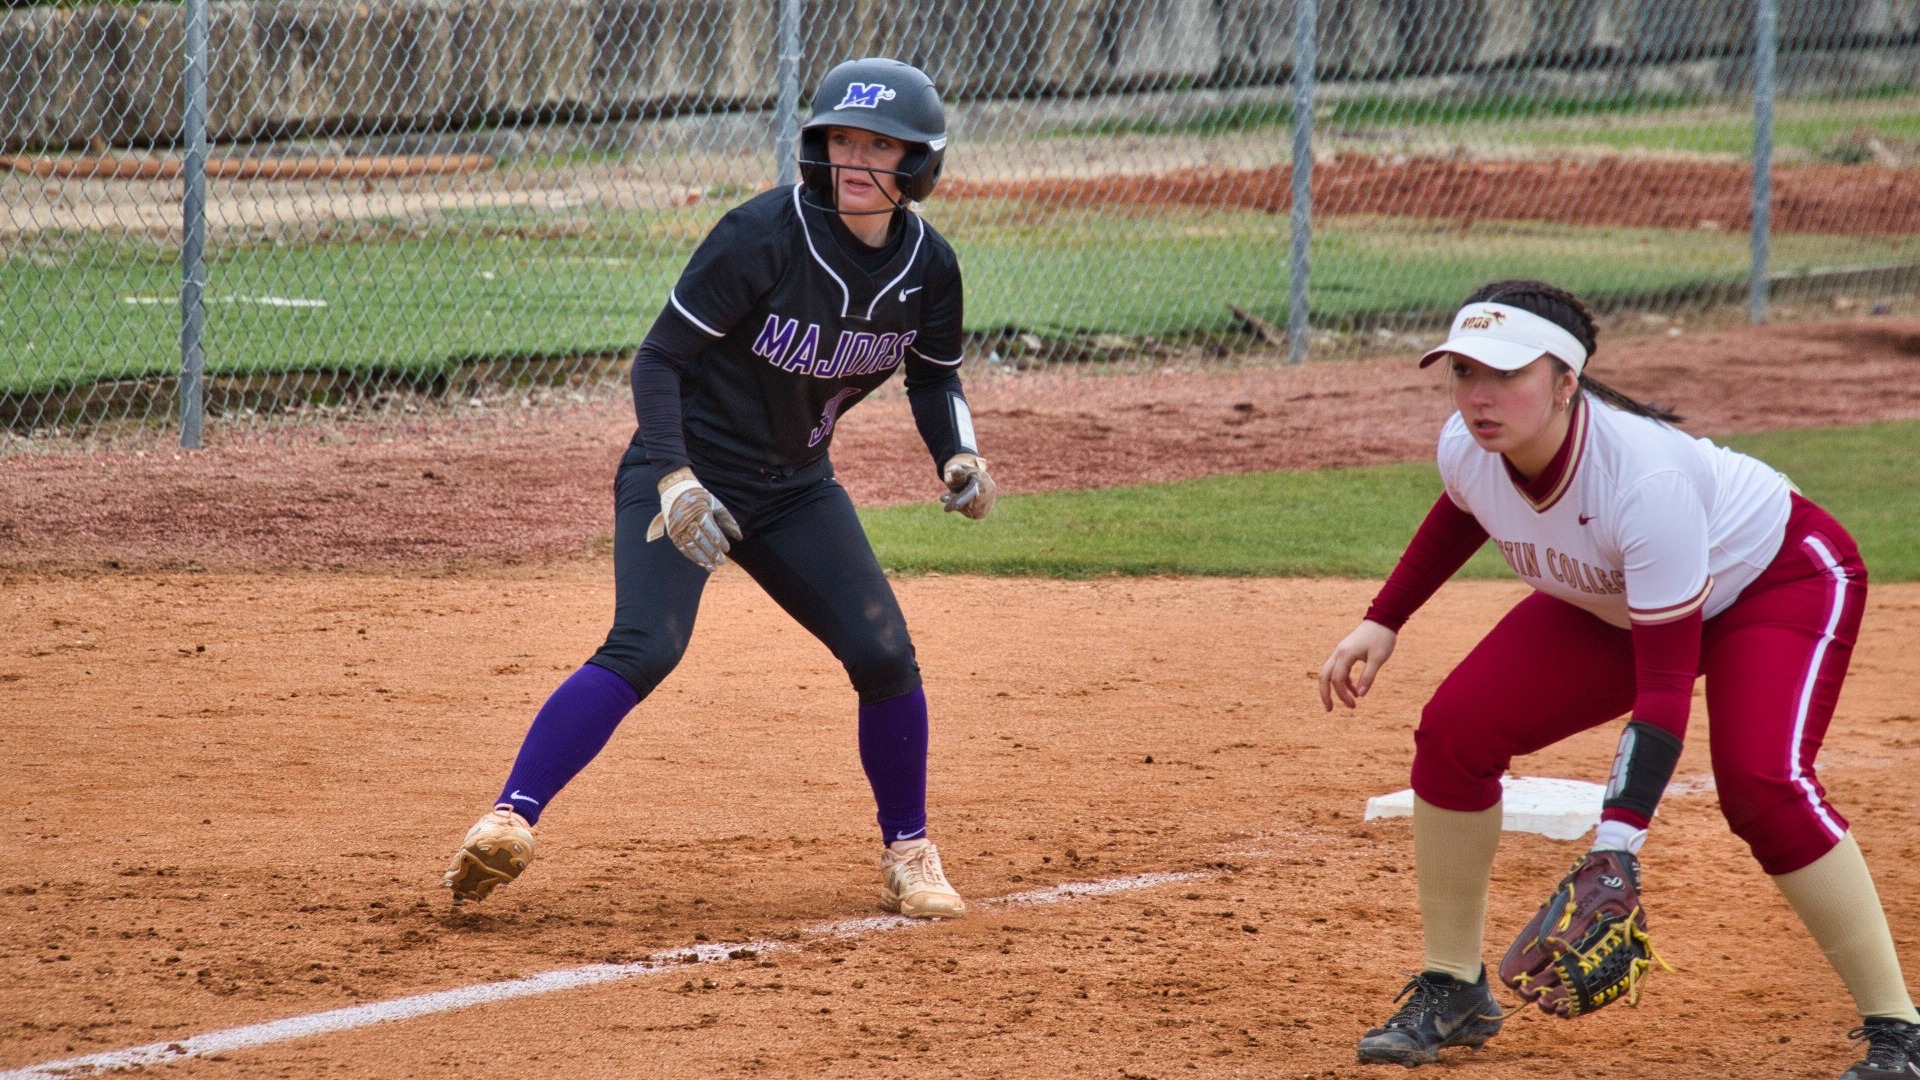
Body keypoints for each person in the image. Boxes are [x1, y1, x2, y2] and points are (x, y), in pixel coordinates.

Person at [1317, 279, 1920, 1077]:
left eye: (1507, 373)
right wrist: (1383, 618)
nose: (1479, 395)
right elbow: (1465, 506)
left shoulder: (1643, 477)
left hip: (1775, 582)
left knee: (1764, 786)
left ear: (1567, 382)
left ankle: (1899, 1028)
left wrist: (1618, 846)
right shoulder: (1469, 445)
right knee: (1457, 731)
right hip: (1622, 599)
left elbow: (1664, 683)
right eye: (1464, 372)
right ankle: (1453, 987)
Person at [443, 57, 993, 920]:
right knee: (646, 645)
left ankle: (910, 853)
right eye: (841, 139)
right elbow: (660, 358)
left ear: (919, 165)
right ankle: (506, 820)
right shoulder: (763, 233)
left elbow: (934, 378)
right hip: (686, 473)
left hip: (796, 488)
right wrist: (673, 478)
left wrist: (958, 458)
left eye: (880, 146)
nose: (855, 159)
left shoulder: (930, 267)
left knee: (885, 654)